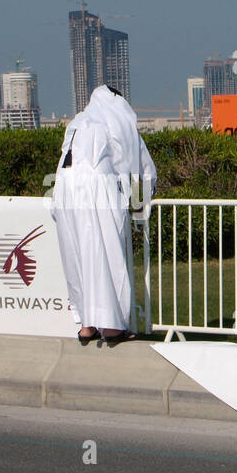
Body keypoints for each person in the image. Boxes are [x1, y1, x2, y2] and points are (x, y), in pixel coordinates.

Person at [50, 85, 155, 346]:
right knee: (106, 254)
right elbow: (140, 165)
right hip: (98, 187)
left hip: (65, 187)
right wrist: (143, 198)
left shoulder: (78, 121)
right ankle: (111, 327)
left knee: (78, 256)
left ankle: (87, 325)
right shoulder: (117, 118)